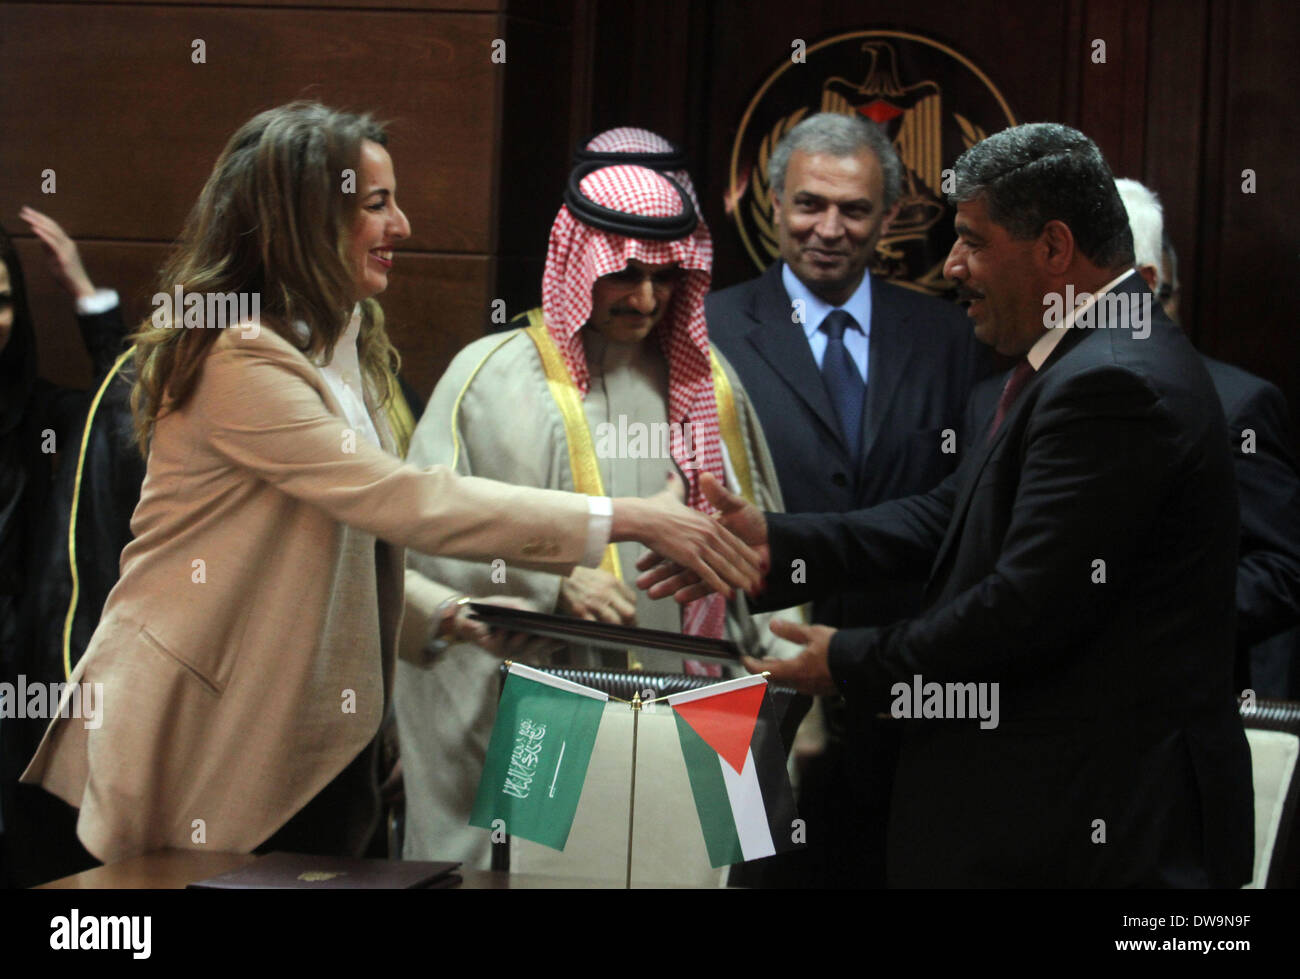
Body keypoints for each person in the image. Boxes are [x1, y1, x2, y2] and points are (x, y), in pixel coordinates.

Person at [19, 101, 761, 867]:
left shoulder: (355, 341)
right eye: (377, 205)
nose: (404, 225)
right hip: (210, 727)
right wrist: (632, 518)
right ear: (307, 217)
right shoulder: (239, 358)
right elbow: (407, 502)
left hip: (322, 739)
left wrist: (446, 617)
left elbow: (349, 543)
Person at [643, 122, 1255, 887]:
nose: (953, 265)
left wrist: (847, 659)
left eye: (972, 240)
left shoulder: (1114, 381)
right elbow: (950, 513)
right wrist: (774, 540)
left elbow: (1026, 606)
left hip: (1105, 827)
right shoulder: (1083, 351)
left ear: (1054, 248)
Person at [395, 147, 799, 883]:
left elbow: (763, 547)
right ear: (578, 261)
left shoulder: (710, 383)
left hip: (701, 709)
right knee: (541, 876)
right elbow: (419, 554)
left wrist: (792, 675)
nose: (646, 298)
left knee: (700, 876)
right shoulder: (490, 377)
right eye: (625, 272)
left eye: (665, 276)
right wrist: (550, 586)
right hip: (549, 716)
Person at [704, 111, 989, 886]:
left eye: (854, 209)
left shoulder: (951, 337)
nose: (828, 228)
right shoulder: (709, 329)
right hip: (756, 690)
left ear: (889, 216)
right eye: (809, 204)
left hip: (905, 699)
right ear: (773, 202)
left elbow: (963, 513)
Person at [1116, 177, 1300, 697]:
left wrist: (1148, 620)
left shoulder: (1236, 406)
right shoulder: (1007, 397)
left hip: (1173, 710)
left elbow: (1282, 570)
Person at [0, 211, 129, 887]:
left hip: (20, 688)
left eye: (1, 299)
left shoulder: (40, 415)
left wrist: (85, 293)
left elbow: (129, 408)